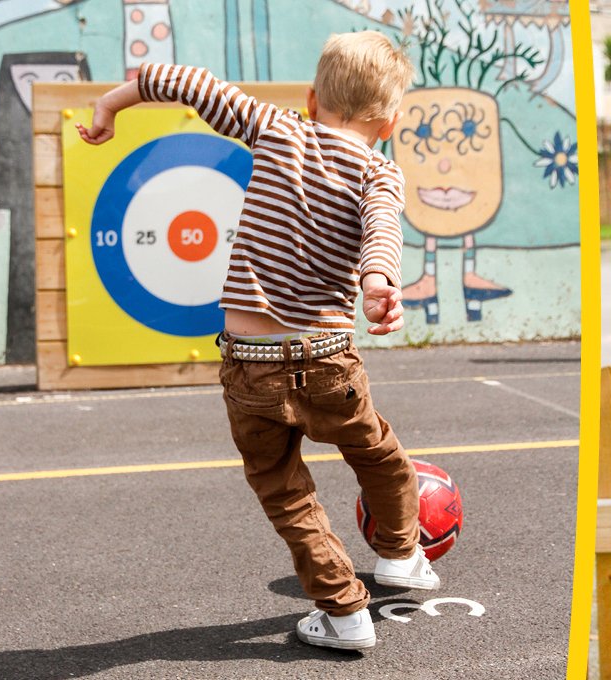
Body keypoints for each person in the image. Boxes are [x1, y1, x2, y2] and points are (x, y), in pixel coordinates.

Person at [78, 32, 425, 650]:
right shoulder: (380, 171)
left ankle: (345, 614)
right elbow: (381, 231)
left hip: (250, 368)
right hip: (327, 360)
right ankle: (400, 555)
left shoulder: (276, 127)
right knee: (376, 453)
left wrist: (110, 105)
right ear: (392, 121)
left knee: (285, 489)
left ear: (313, 98)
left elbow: (184, 81)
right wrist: (378, 284)